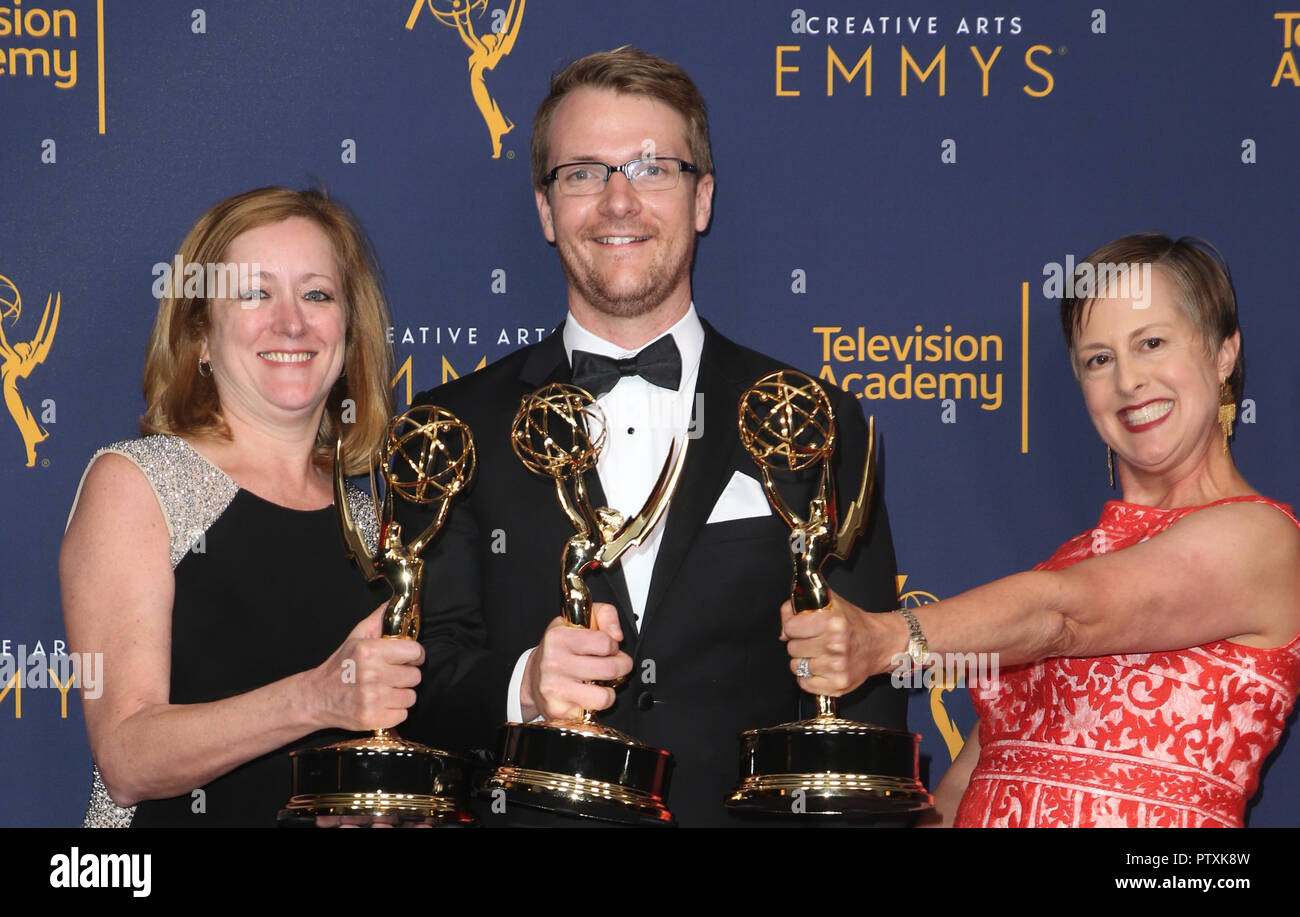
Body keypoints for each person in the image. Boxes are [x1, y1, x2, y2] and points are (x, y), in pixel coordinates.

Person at [397, 47, 904, 826]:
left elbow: (865, 705)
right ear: (545, 209)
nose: (618, 201)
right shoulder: (450, 428)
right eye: (584, 172)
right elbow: (410, 694)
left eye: (652, 168)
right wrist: (526, 686)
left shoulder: (814, 417)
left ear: (702, 198)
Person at [782, 233, 1300, 828]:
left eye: (1152, 343)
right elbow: (968, 786)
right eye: (1099, 359)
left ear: (1222, 353)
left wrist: (883, 639)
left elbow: (1064, 619)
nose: (1129, 381)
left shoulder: (1262, 538)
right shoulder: (1068, 561)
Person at [61, 187, 423, 827]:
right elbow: (125, 758)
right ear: (199, 335)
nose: (292, 323)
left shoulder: (370, 520)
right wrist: (316, 697)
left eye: (317, 295)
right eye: (255, 293)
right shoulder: (139, 483)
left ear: (349, 331)